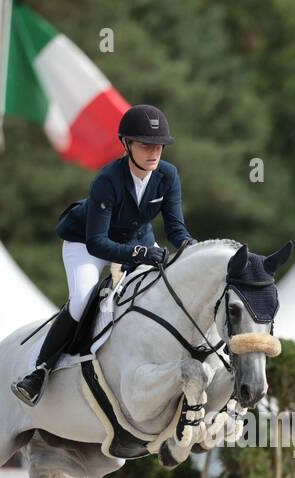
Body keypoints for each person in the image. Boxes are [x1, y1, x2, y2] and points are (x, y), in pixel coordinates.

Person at [11, 104, 196, 405]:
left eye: (159, 146)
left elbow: (176, 229)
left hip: (137, 241)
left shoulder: (168, 175)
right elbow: (97, 242)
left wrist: (191, 248)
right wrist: (141, 252)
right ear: (126, 144)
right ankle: (39, 371)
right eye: (146, 145)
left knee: (154, 293)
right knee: (84, 297)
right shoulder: (107, 179)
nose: (154, 152)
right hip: (86, 242)